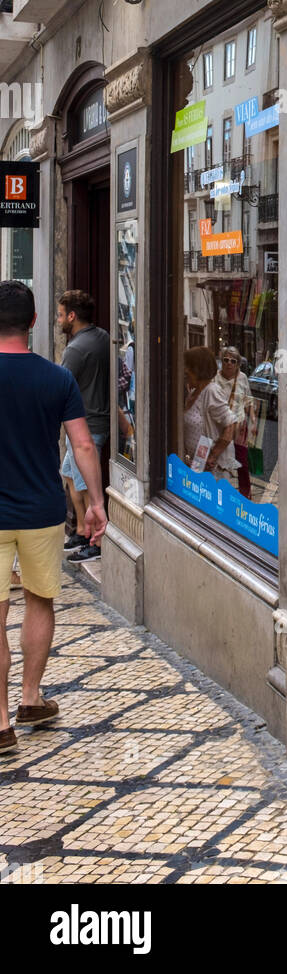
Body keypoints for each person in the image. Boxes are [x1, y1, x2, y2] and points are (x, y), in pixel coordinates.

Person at [0, 280, 106, 753]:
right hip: (41, 510)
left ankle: (0, 723)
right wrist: (98, 503)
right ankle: (30, 697)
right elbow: (83, 444)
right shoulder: (55, 378)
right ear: (35, 322)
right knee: (40, 602)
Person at [56, 290, 110, 563]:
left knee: (88, 484)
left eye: (61, 314)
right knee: (69, 474)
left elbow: (59, 388)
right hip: (95, 421)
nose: (59, 320)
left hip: (86, 426)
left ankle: (97, 543)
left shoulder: (75, 349)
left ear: (72, 316)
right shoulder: (102, 336)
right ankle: (80, 528)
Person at [183, 346, 237, 477]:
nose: (185, 371)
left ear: (198, 369)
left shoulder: (211, 391)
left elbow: (230, 424)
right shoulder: (192, 394)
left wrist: (212, 457)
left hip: (212, 470)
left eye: (188, 367)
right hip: (197, 465)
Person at [215, 347, 252, 498]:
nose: (229, 363)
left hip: (239, 426)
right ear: (221, 361)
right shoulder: (215, 378)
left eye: (233, 361)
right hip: (220, 426)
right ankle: (221, 491)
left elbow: (248, 400)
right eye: (226, 360)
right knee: (220, 459)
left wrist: (254, 421)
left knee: (241, 461)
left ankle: (245, 494)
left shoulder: (242, 378)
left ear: (237, 364)